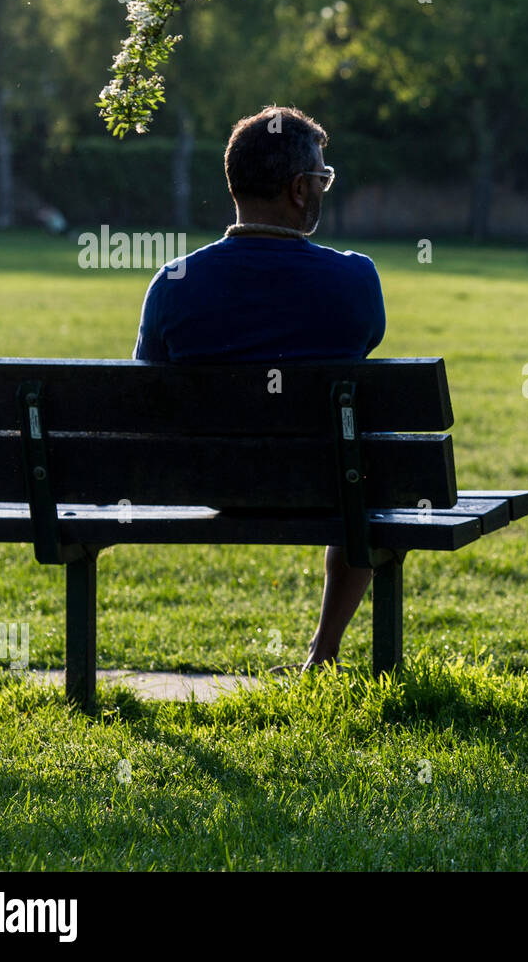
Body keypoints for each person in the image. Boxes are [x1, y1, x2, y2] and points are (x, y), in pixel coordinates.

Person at [133, 106, 384, 671]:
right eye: (321, 178)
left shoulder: (173, 284)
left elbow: (143, 385)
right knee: (360, 477)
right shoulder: (355, 280)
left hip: (211, 482)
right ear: (299, 189)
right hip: (325, 482)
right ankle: (324, 654)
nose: (324, 188)